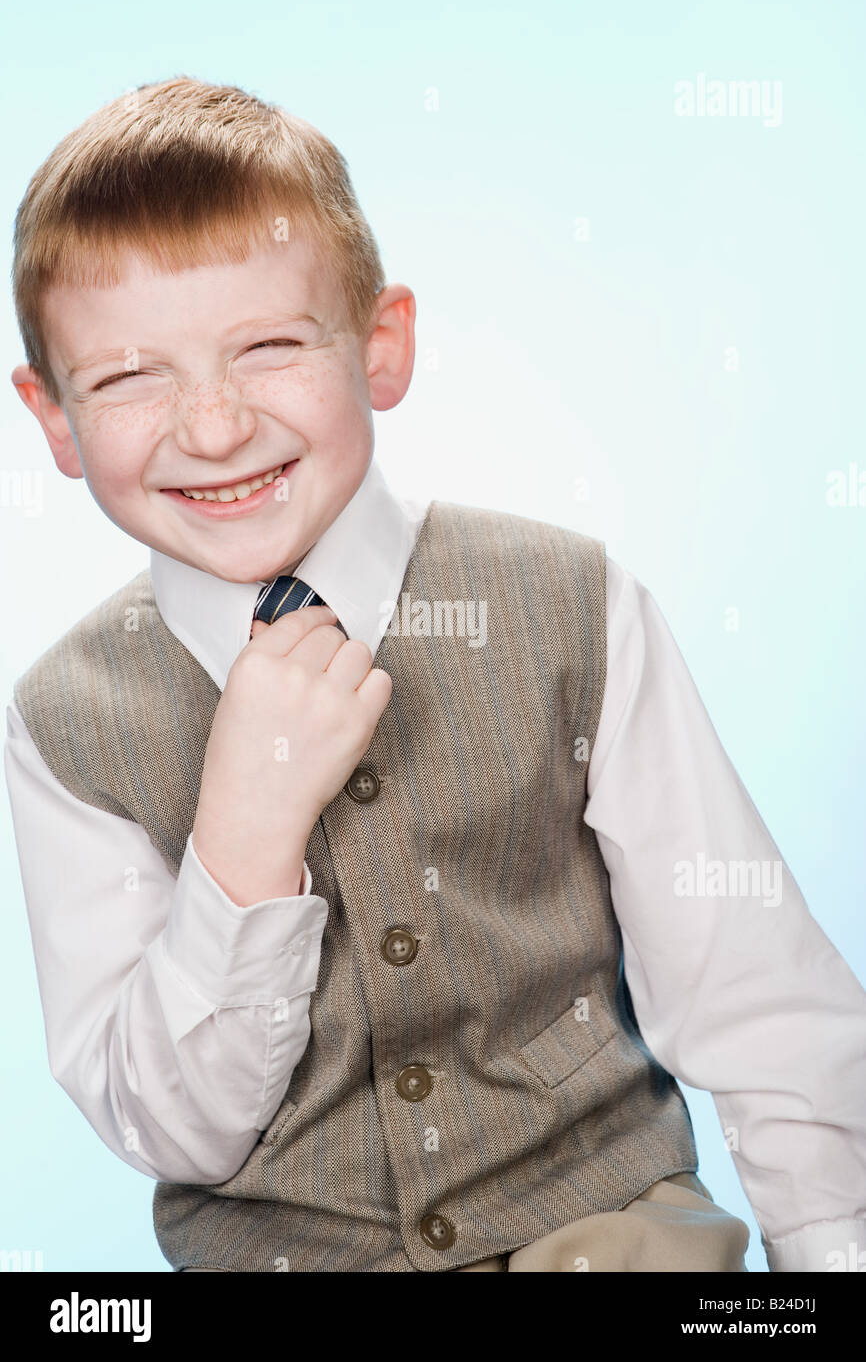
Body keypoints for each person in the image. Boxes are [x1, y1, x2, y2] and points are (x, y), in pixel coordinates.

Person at [4, 76, 864, 1273]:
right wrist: (244, 831)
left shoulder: (570, 602)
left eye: (266, 346)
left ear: (380, 344)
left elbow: (748, 987)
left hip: (605, 1237)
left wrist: (827, 1254)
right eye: (130, 378)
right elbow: (173, 1127)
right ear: (52, 419)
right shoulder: (61, 722)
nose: (209, 428)